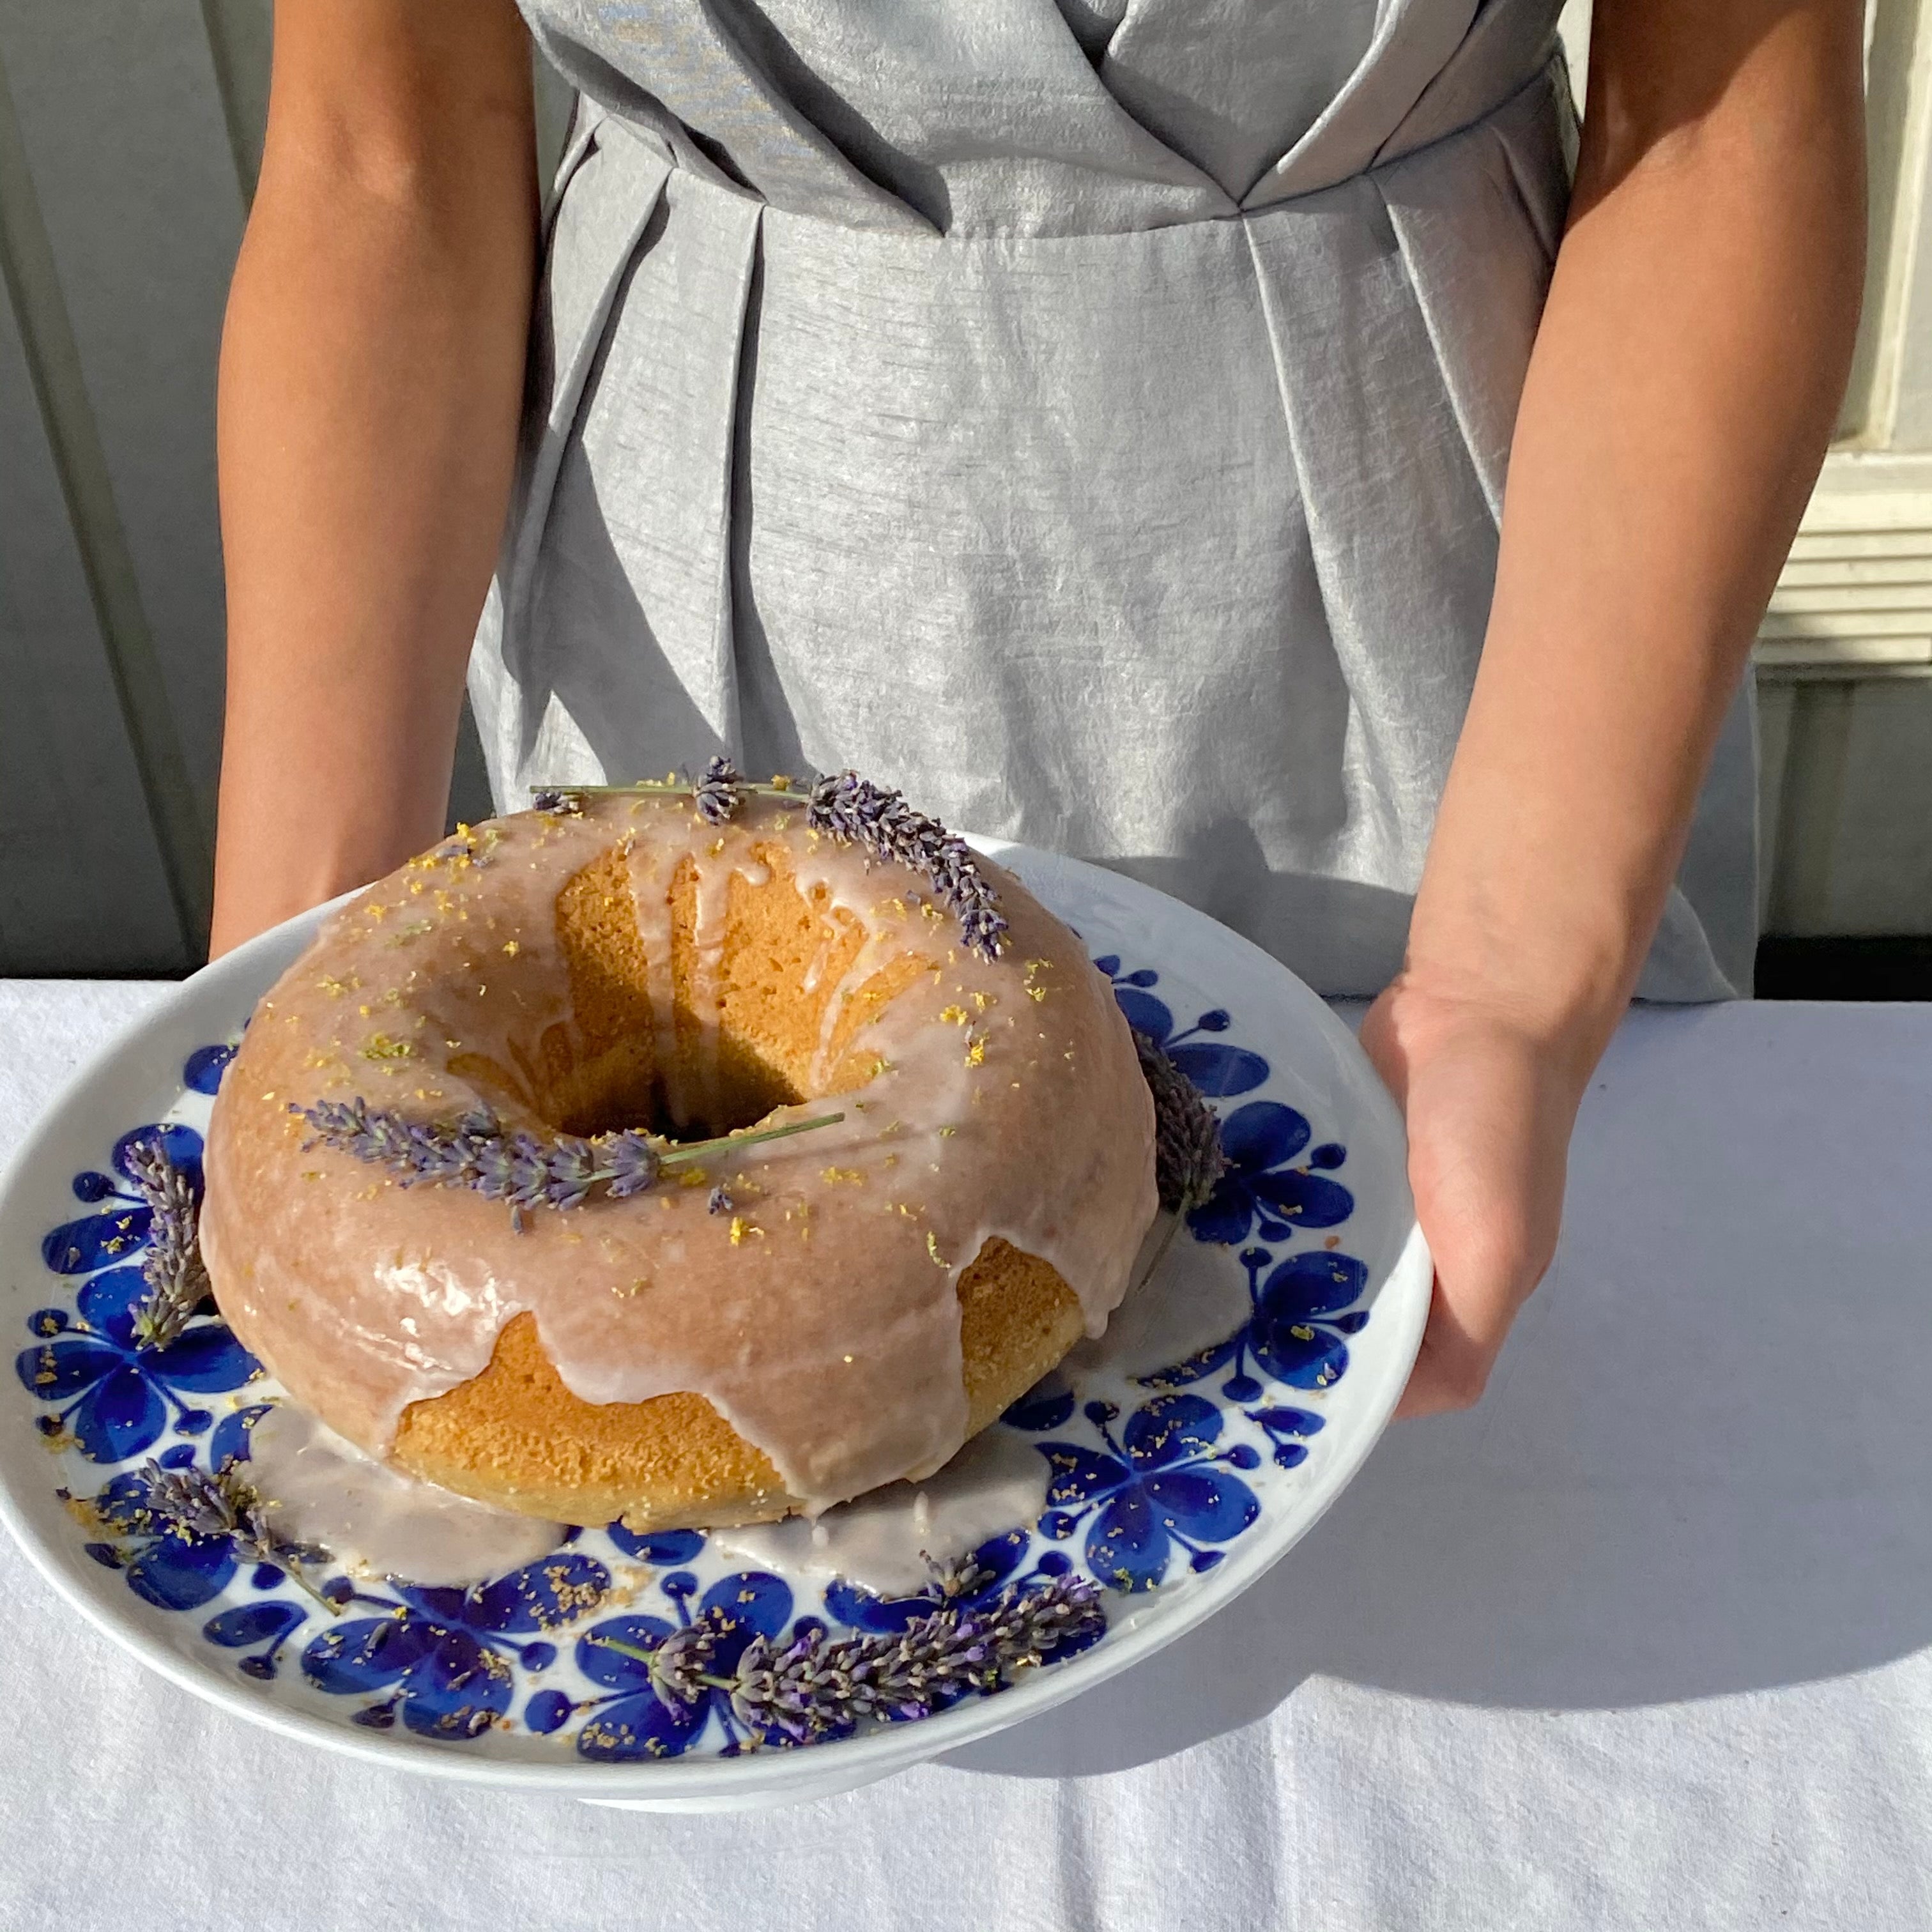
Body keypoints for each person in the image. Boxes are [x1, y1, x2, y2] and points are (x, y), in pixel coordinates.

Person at [208, 0, 1866, 1416]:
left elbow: (1724, 110)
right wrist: (266, 1013)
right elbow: (383, 153)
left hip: (1474, 681)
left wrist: (1506, 982)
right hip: (694, 624)